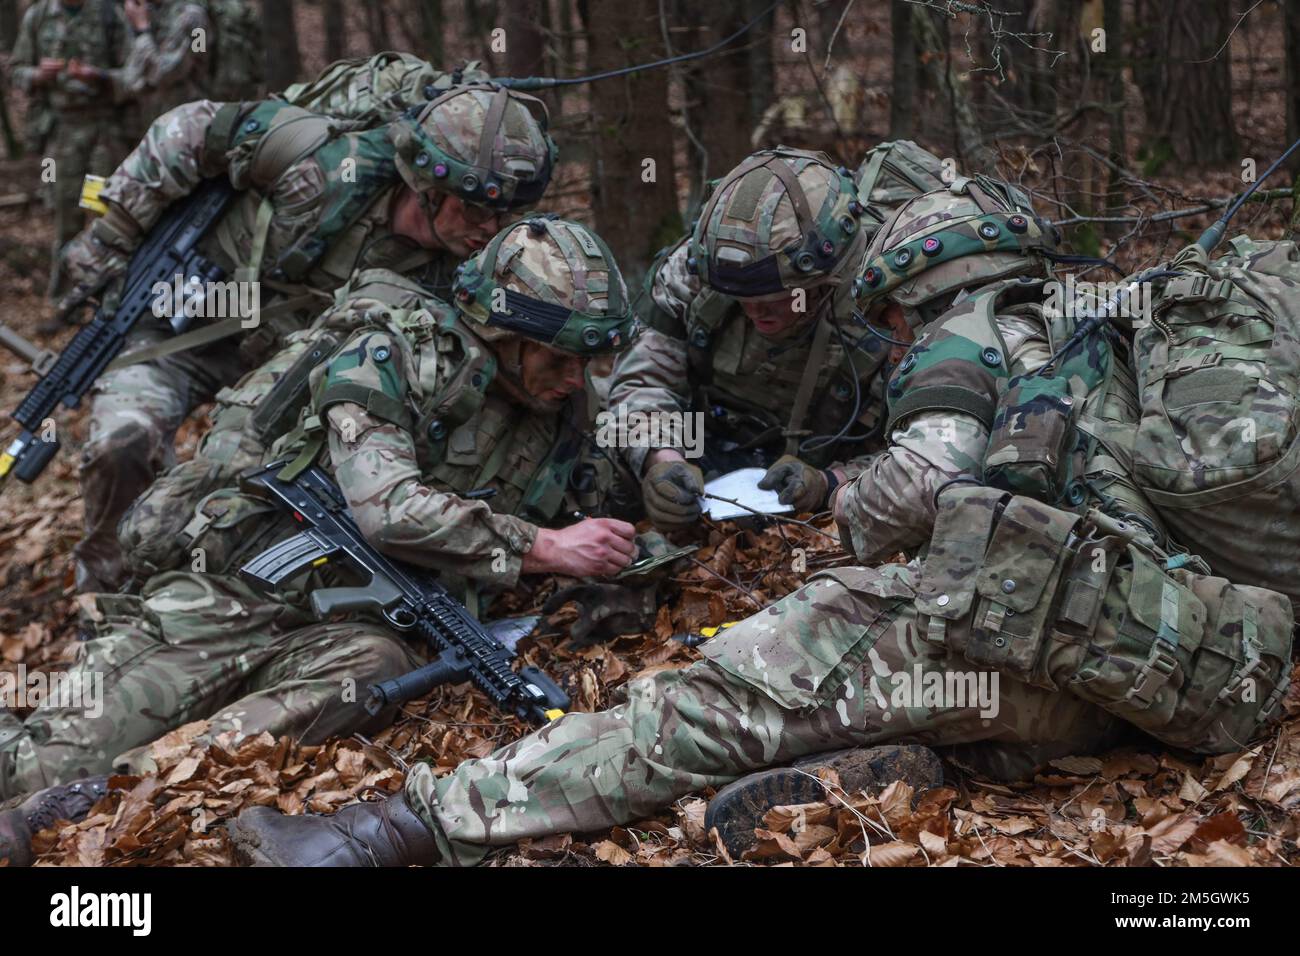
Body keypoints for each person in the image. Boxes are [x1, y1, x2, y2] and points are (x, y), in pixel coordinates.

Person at [221, 179, 1292, 867]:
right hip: (1202, 653)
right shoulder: (1108, 321)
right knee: (950, 682)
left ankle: (398, 827)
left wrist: (840, 507)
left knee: (742, 680)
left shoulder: (965, 333)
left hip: (1093, 634)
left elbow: (914, 488)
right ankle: (899, 765)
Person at [0, 217, 641, 866]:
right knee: (25, 769)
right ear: (502, 334)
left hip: (332, 632)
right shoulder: (389, 353)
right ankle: (56, 778)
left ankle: (126, 781)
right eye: (558, 359)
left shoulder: (561, 421)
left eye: (587, 363)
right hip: (227, 600)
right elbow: (386, 510)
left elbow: (614, 510)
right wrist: (549, 547)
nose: (573, 379)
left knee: (378, 668)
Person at [55, 82, 556, 592]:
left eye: (505, 215)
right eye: (475, 210)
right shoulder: (323, 170)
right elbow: (191, 127)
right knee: (123, 443)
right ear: (426, 185)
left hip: (290, 378)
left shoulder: (464, 275)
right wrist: (110, 234)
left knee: (245, 493)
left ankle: (192, 595)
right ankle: (103, 593)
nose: (490, 227)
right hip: (181, 330)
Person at [611, 143, 945, 529]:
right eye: (741, 299)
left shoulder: (891, 310)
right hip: (702, 446)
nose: (756, 311)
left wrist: (828, 483)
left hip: (828, 467)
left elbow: (925, 451)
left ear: (826, 279)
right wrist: (662, 460)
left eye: (776, 299)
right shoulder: (698, 272)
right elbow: (641, 379)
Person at [9, 0, 134, 301]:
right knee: (65, 213)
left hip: (103, 136)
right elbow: (16, 70)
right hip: (60, 137)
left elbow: (133, 74)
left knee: (104, 210)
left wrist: (98, 76)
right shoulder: (38, 17)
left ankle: (112, 295)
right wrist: (38, 75)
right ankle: (64, 298)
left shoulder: (109, 15)